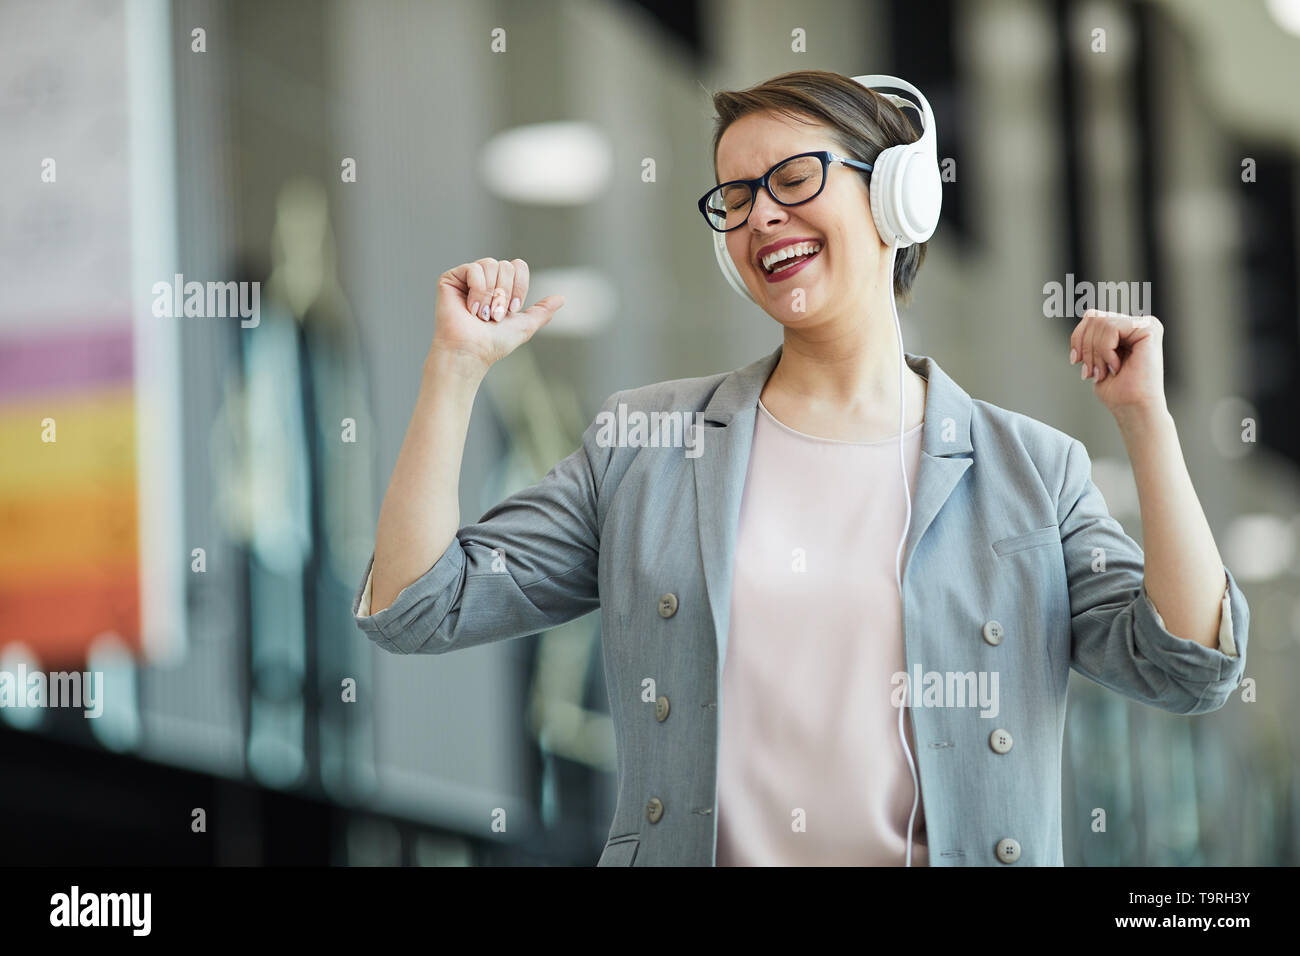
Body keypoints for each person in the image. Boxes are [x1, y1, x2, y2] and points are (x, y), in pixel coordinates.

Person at [352, 70, 1249, 866]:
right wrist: (455, 371)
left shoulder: (1029, 472)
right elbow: (419, 607)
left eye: (792, 179)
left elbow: (1187, 667)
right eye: (734, 198)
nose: (760, 216)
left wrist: (1146, 423)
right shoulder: (646, 445)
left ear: (899, 200)